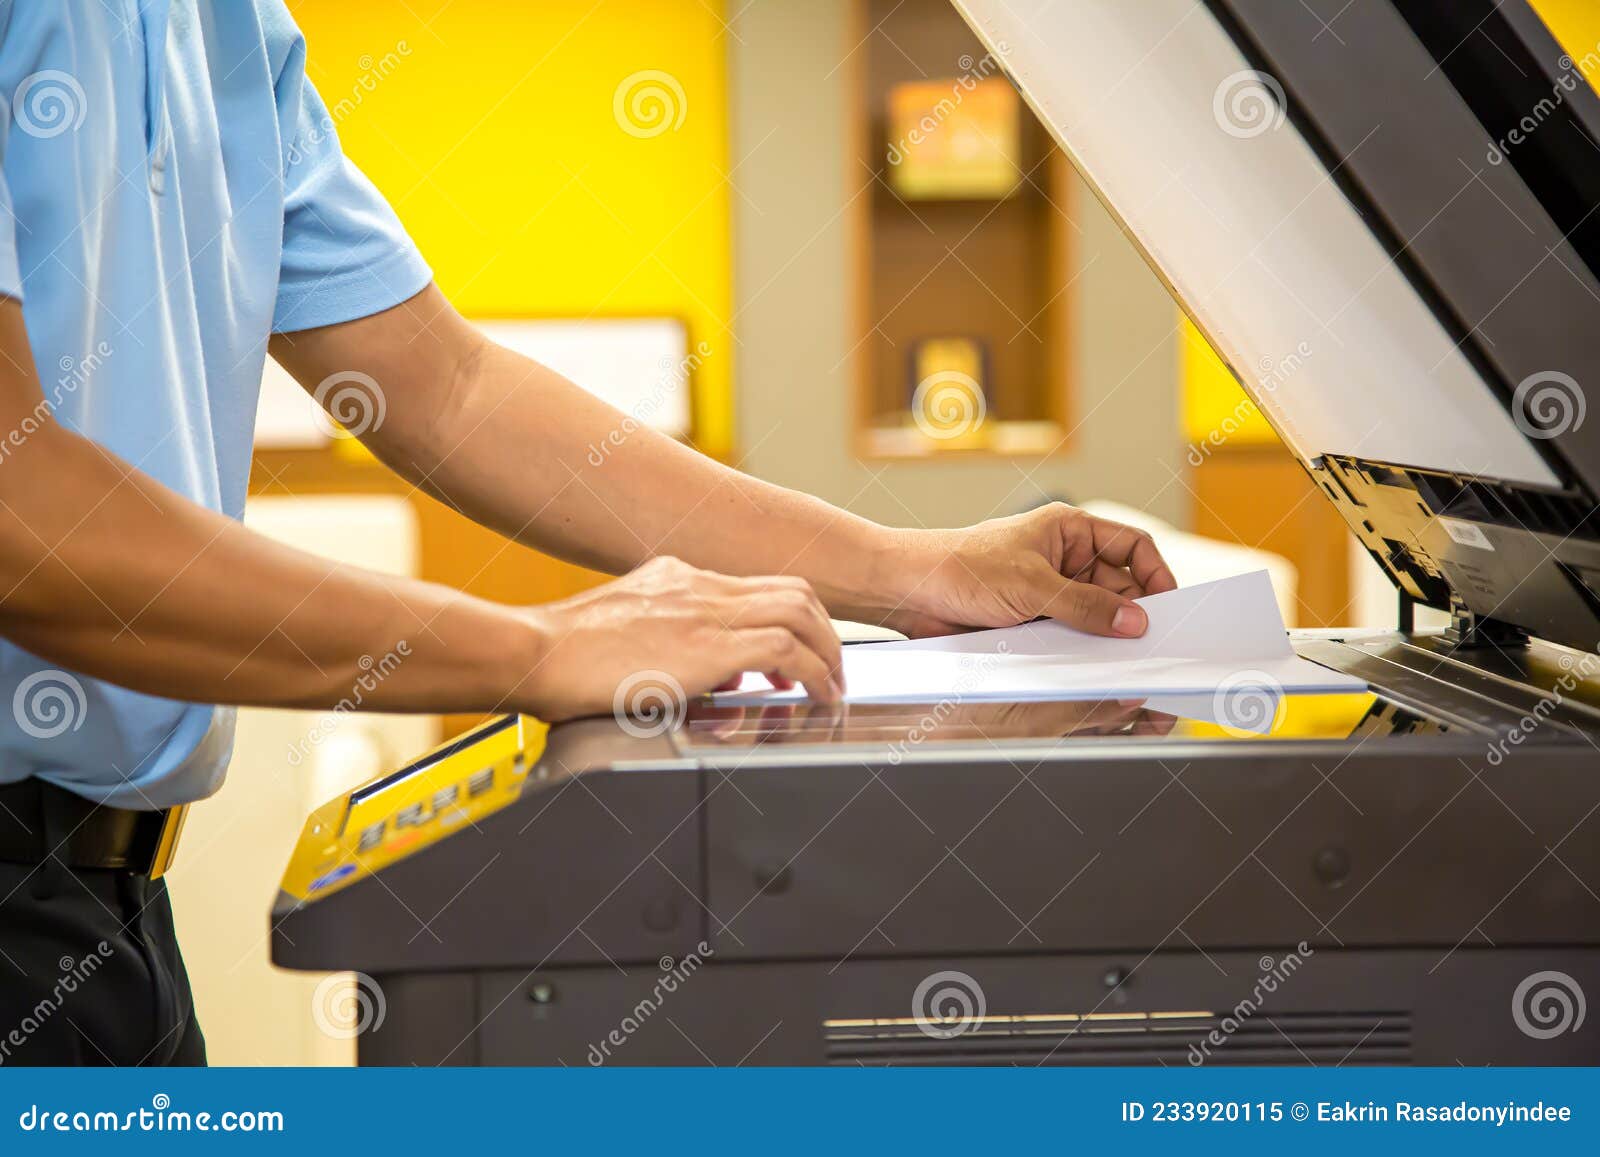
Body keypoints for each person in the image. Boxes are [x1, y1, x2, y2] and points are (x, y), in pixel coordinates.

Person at [0, 1, 1175, 1065]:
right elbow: (17, 510)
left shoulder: (230, 26)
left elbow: (443, 384)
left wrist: (912, 570)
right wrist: (533, 647)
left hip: (104, 906)